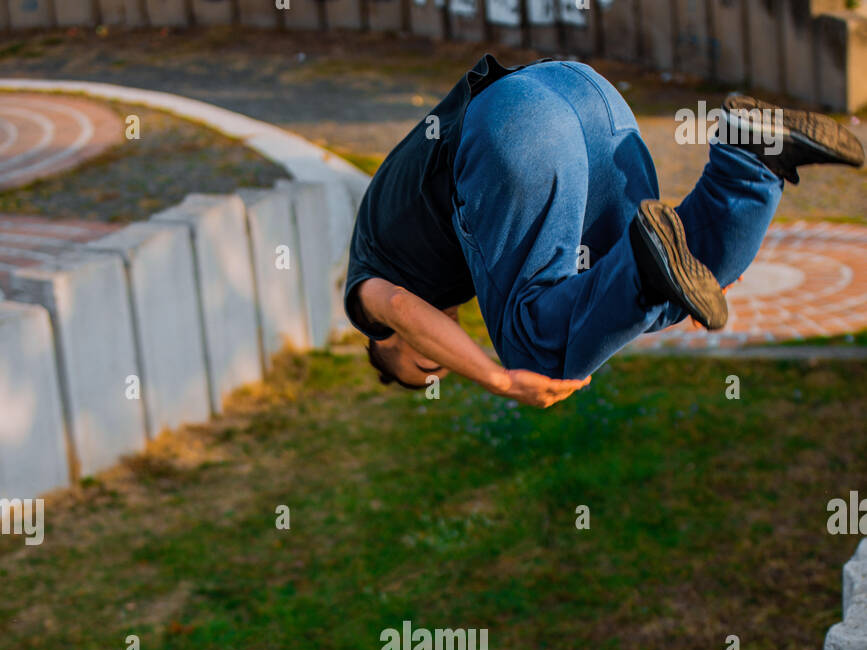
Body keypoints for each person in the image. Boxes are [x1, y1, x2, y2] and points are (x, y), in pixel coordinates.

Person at [344, 55, 864, 408]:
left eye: (426, 358)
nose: (447, 346)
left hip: (517, 126)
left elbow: (396, 308)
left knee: (537, 354)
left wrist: (500, 379)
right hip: (585, 93)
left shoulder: (369, 278)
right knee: (662, 293)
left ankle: (653, 262)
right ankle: (752, 159)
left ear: (381, 340)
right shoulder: (407, 236)